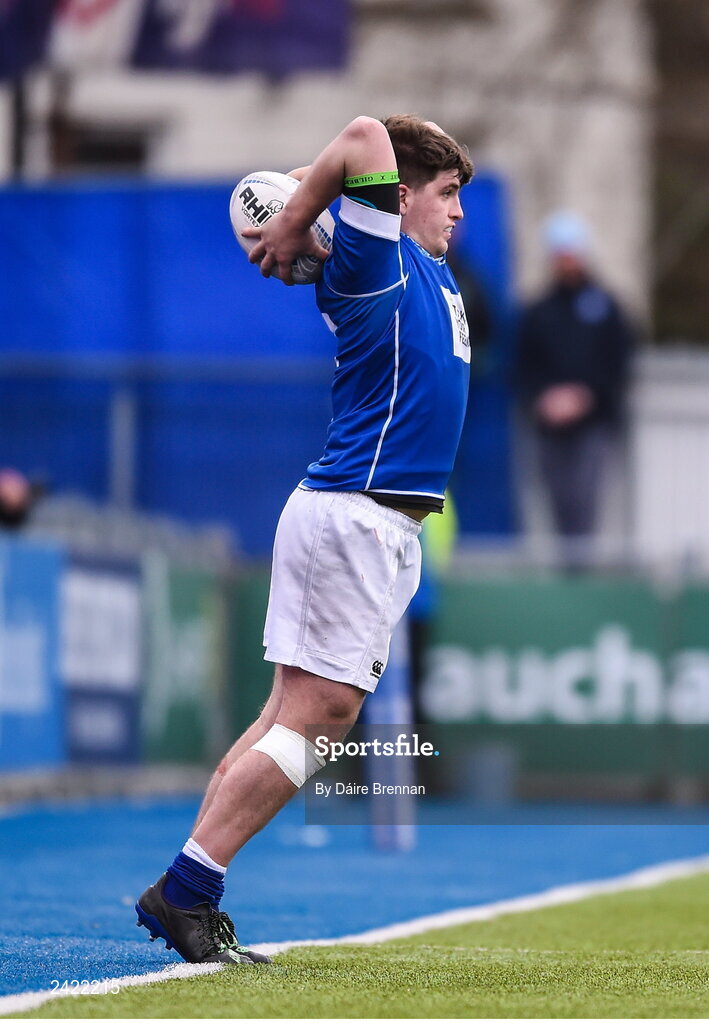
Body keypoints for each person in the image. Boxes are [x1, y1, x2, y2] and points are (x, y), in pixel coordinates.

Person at [135, 114, 474, 964]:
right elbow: (363, 134)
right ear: (399, 197)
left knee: (290, 716)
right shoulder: (372, 259)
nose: (459, 210)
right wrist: (291, 218)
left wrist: (300, 201)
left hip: (366, 519)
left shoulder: (413, 261)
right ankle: (187, 889)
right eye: (446, 192)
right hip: (354, 513)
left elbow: (350, 158)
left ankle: (189, 889)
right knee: (321, 719)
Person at [516, 211, 635, 569]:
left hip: (594, 425)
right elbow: (523, 367)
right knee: (557, 503)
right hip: (549, 427)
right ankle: (564, 576)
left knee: (586, 503)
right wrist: (545, 399)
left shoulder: (608, 308)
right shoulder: (538, 311)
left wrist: (585, 398)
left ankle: (583, 575)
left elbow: (617, 364)